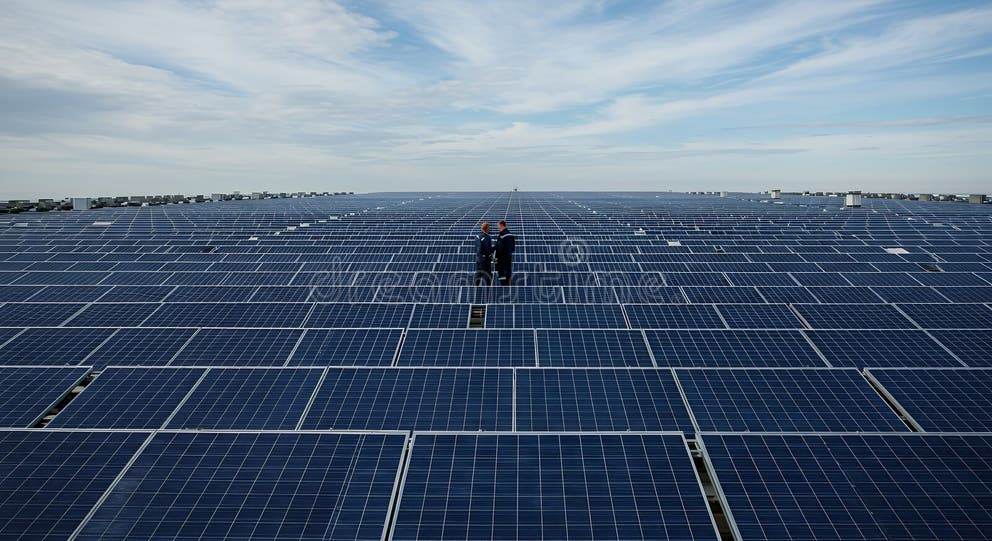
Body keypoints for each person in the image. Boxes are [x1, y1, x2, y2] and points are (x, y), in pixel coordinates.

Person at [494, 220, 515, 286]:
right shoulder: (511, 234)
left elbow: (499, 248)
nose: (498, 227)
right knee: (508, 271)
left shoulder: (502, 235)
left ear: (502, 225)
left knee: (501, 272)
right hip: (509, 257)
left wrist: (496, 258)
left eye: (498, 226)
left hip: (501, 258)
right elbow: (513, 247)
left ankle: (503, 286)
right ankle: (508, 285)